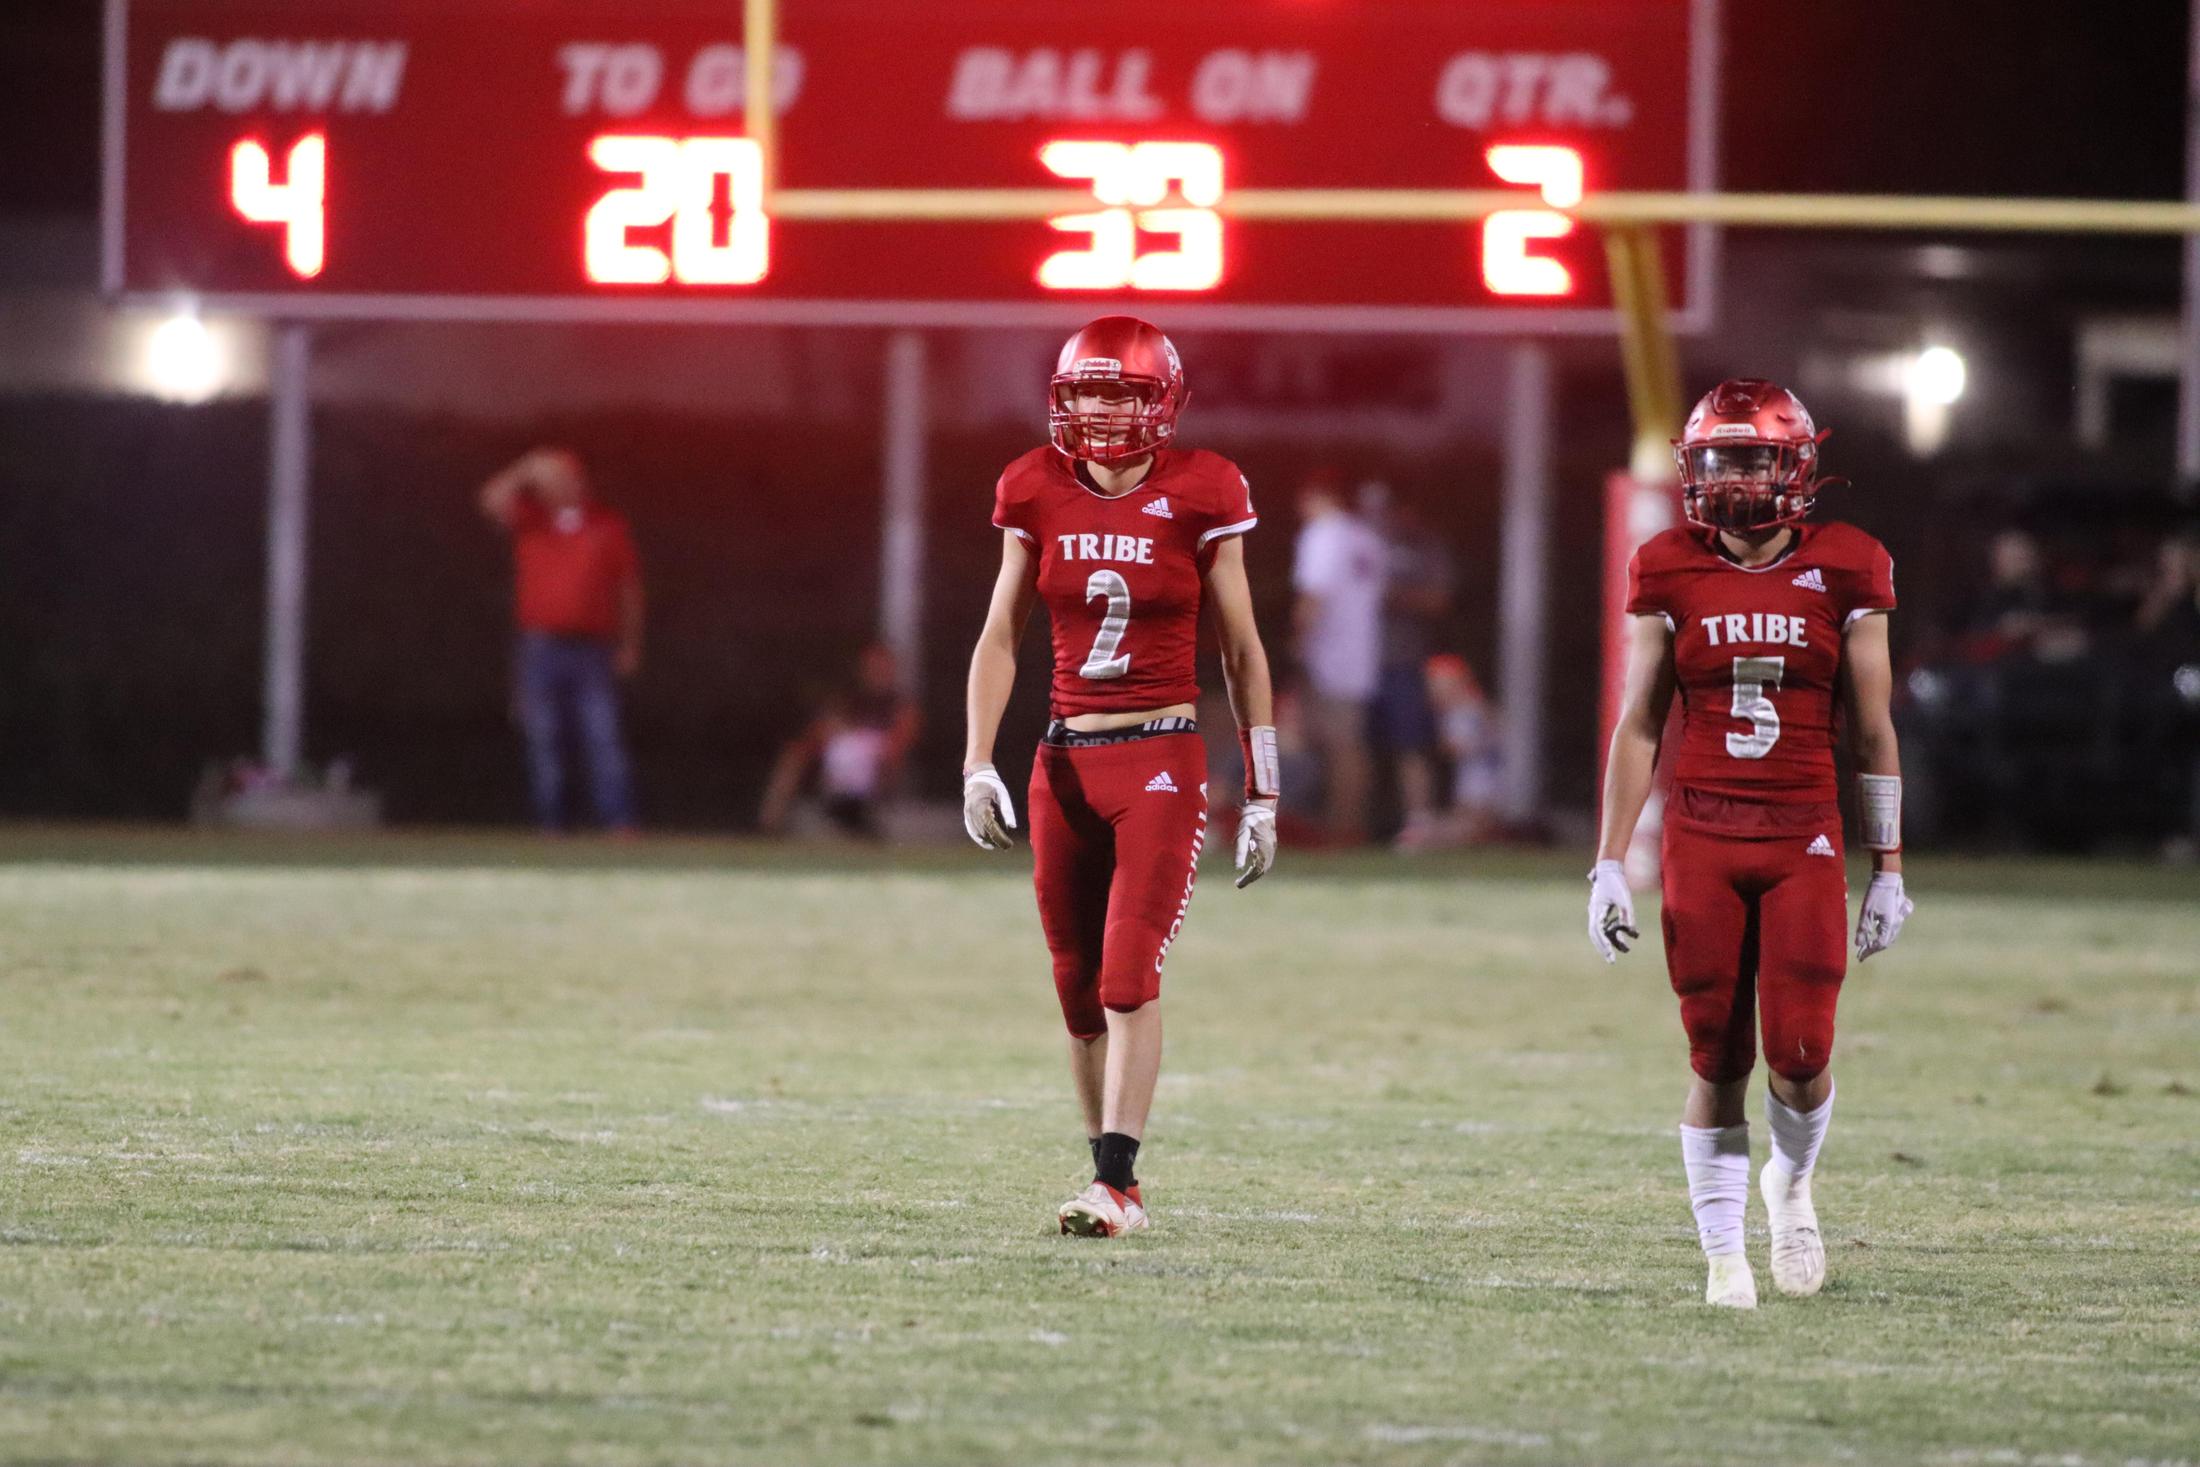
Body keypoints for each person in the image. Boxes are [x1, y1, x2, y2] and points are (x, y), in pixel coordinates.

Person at [1588, 379, 1916, 1309]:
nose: (1734, 479)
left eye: (1753, 458)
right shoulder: (1667, 564)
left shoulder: (1849, 565)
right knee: (1713, 1052)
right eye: (1719, 459)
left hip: (1803, 829)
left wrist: (1889, 866)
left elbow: (1875, 729)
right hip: (1702, 830)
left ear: (1797, 465)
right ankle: (1723, 1254)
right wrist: (1610, 860)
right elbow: (1640, 725)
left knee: (1802, 1052)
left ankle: (1792, 1182)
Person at [961, 315, 1280, 1239]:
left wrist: (1262, 786)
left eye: (1121, 393)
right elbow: (998, 635)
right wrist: (978, 759)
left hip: (1160, 756)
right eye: (1085, 393)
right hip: (1062, 757)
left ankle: (1118, 1183)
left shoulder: (1205, 488)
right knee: (1075, 982)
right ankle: (1105, 1173)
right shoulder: (1032, 485)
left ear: (1163, 403)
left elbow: (1244, 649)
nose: (1100, 411)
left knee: (1128, 973)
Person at [479, 447, 643, 834]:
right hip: (540, 648)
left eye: (562, 478)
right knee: (543, 738)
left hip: (592, 648)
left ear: (578, 482)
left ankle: (618, 821)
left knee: (602, 736)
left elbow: (629, 589)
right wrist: (523, 468)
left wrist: (630, 643)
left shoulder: (606, 526)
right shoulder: (531, 520)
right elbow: (488, 501)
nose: (554, 486)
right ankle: (551, 824)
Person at [1291, 472, 1388, 843]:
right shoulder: (1365, 536)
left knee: (1341, 744)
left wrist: (1298, 641)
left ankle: (1343, 827)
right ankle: (1344, 821)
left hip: (1330, 654)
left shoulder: (1324, 534)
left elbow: (1315, 594)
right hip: (1361, 650)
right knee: (1346, 742)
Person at [1365, 490, 1458, 847]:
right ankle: (1356, 825)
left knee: (1411, 744)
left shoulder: (1424, 549)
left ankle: (1418, 824)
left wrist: (1390, 596)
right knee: (1357, 748)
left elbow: (1439, 599)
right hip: (1357, 665)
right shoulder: (1362, 544)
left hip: (1404, 662)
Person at [757, 643, 922, 838]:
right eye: (872, 668)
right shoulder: (848, 702)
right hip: (836, 779)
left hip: (875, 777)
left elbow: (898, 747)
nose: (876, 673)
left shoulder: (901, 708)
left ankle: (866, 818)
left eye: (882, 667)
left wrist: (865, 746)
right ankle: (769, 826)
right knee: (794, 756)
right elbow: (815, 737)